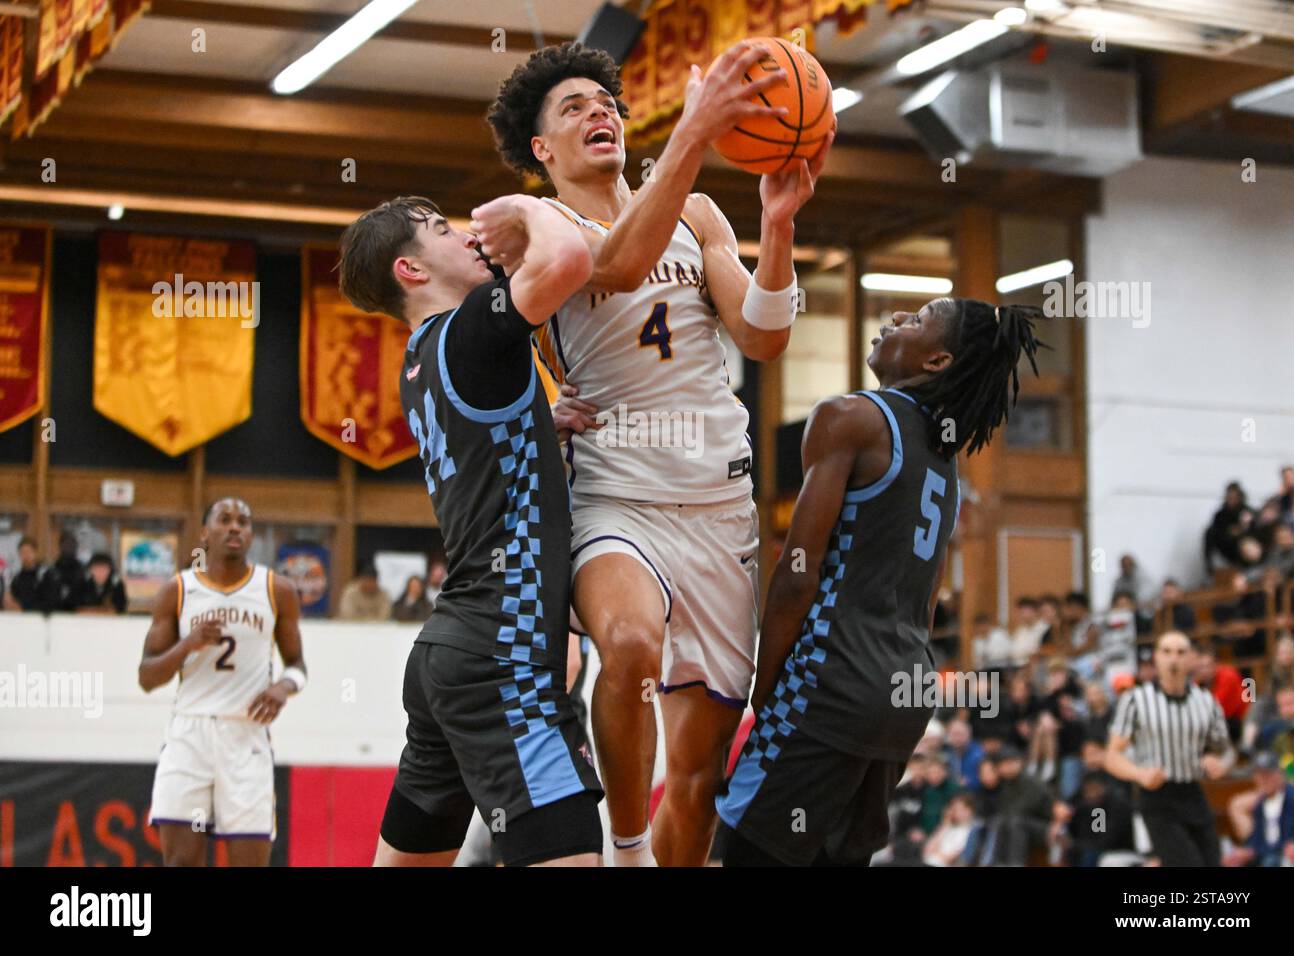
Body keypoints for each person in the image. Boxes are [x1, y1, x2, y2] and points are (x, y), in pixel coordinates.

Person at [484, 41, 830, 867]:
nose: (597, 113)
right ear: (542, 150)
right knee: (631, 643)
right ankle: (628, 847)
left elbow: (764, 333)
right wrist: (698, 129)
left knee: (701, 777)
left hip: (719, 505)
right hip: (616, 493)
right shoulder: (544, 228)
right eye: (572, 109)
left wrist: (776, 226)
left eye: (605, 103)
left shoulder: (699, 214)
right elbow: (617, 262)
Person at [715, 297, 1044, 866]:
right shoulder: (946, 463)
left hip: (831, 684)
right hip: (902, 696)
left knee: (742, 854)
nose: (894, 320)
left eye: (915, 321)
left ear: (938, 361)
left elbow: (798, 573)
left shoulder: (851, 418)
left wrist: (765, 692)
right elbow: (929, 605)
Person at [337, 193, 603, 867]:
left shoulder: (420, 363)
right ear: (412, 271)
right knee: (573, 854)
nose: (470, 239)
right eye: (444, 231)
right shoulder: (472, 331)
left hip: (447, 658)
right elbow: (568, 256)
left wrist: (546, 424)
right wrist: (529, 204)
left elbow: (490, 450)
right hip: (499, 653)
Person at [139, 498, 306, 866]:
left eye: (243, 521)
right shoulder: (177, 590)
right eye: (225, 519)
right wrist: (187, 644)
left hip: (245, 738)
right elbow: (147, 677)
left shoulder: (276, 590)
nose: (235, 527)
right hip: (189, 733)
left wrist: (283, 687)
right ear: (204, 532)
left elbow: (297, 666)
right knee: (181, 862)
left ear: (251, 534)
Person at [1104, 630, 1234, 867]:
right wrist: (1139, 773)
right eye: (1166, 652)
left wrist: (1220, 764)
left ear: (1191, 659)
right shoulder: (1136, 699)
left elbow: (1226, 750)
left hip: (1193, 790)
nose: (1173, 659)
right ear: (1156, 658)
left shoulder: (1206, 701)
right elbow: (1112, 756)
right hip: (1157, 795)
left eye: (1181, 652)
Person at [1224, 751, 1294, 867]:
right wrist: (1246, 852)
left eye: (1267, 775)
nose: (1263, 780)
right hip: (1267, 854)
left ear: (1279, 774)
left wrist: (1253, 851)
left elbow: (1285, 841)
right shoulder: (1261, 803)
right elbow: (1258, 837)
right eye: (1258, 775)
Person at [2, 536, 50, 612]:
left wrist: (24, 608)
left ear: (35, 552)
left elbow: (49, 602)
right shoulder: (17, 578)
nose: (26, 556)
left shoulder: (45, 575)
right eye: (22, 552)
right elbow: (13, 600)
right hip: (21, 620)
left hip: (39, 620)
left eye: (28, 552)